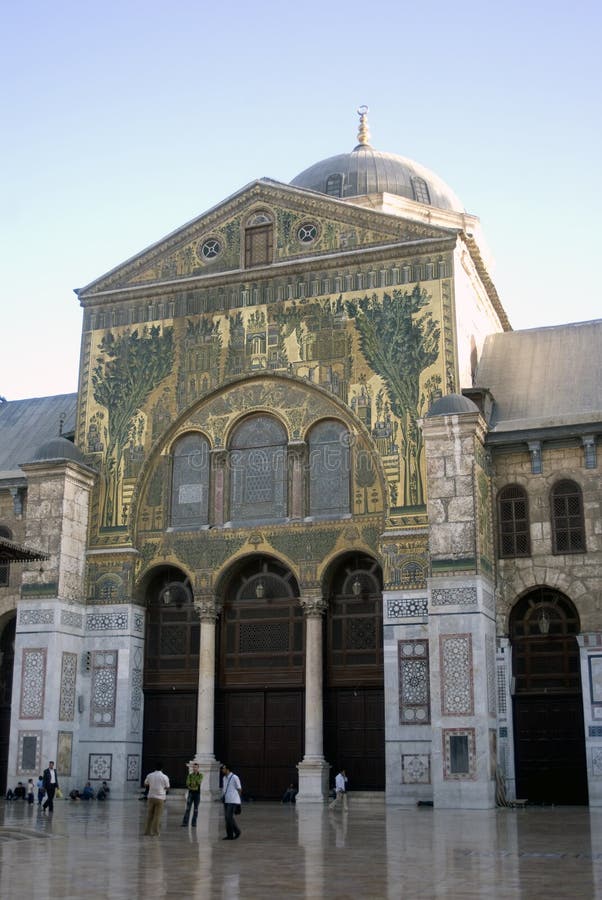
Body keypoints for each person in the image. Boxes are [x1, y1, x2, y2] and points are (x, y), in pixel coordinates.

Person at [143, 764, 170, 837]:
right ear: (162, 769)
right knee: (157, 816)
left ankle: (147, 831)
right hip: (160, 798)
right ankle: (156, 832)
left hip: (151, 797)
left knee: (149, 815)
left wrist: (152, 786)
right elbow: (167, 787)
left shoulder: (149, 775)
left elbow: (145, 784)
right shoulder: (164, 776)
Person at [220, 764, 242, 841]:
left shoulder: (235, 777)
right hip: (226, 800)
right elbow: (224, 788)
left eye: (223, 768)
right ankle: (230, 835)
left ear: (228, 769)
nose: (222, 770)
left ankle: (237, 831)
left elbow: (239, 789)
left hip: (233, 800)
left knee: (229, 817)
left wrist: (238, 800)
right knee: (227, 818)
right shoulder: (224, 778)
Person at [181, 762, 203, 827]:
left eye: (196, 767)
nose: (194, 768)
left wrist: (193, 784)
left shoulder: (200, 775)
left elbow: (198, 782)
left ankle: (194, 823)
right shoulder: (190, 775)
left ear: (198, 768)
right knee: (188, 808)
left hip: (197, 794)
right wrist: (193, 784)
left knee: (196, 809)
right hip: (190, 793)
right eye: (193, 767)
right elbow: (188, 784)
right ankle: (185, 823)